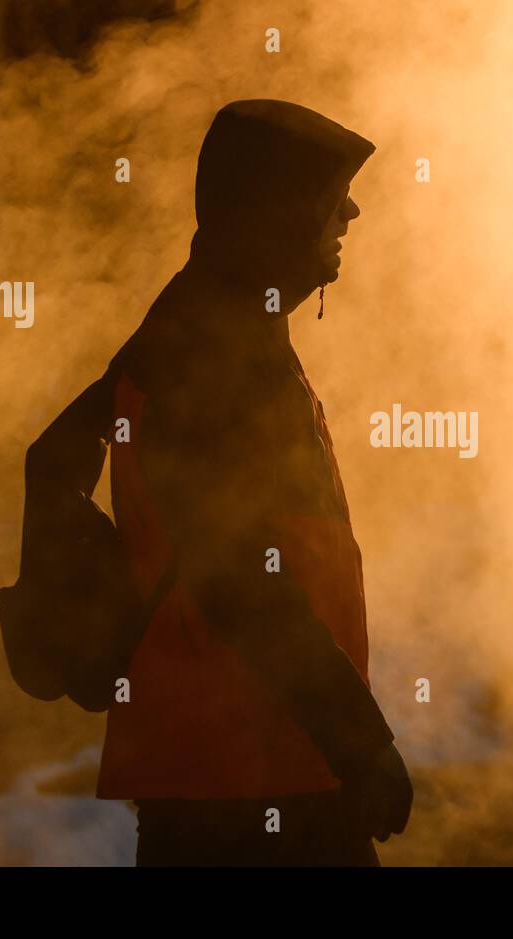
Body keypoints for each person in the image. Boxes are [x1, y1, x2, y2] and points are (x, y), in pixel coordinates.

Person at [96, 100, 411, 865]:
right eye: (331, 192)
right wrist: (358, 740)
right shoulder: (211, 353)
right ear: (277, 211)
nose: (353, 210)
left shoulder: (216, 324)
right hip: (248, 785)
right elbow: (236, 577)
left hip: (255, 769)